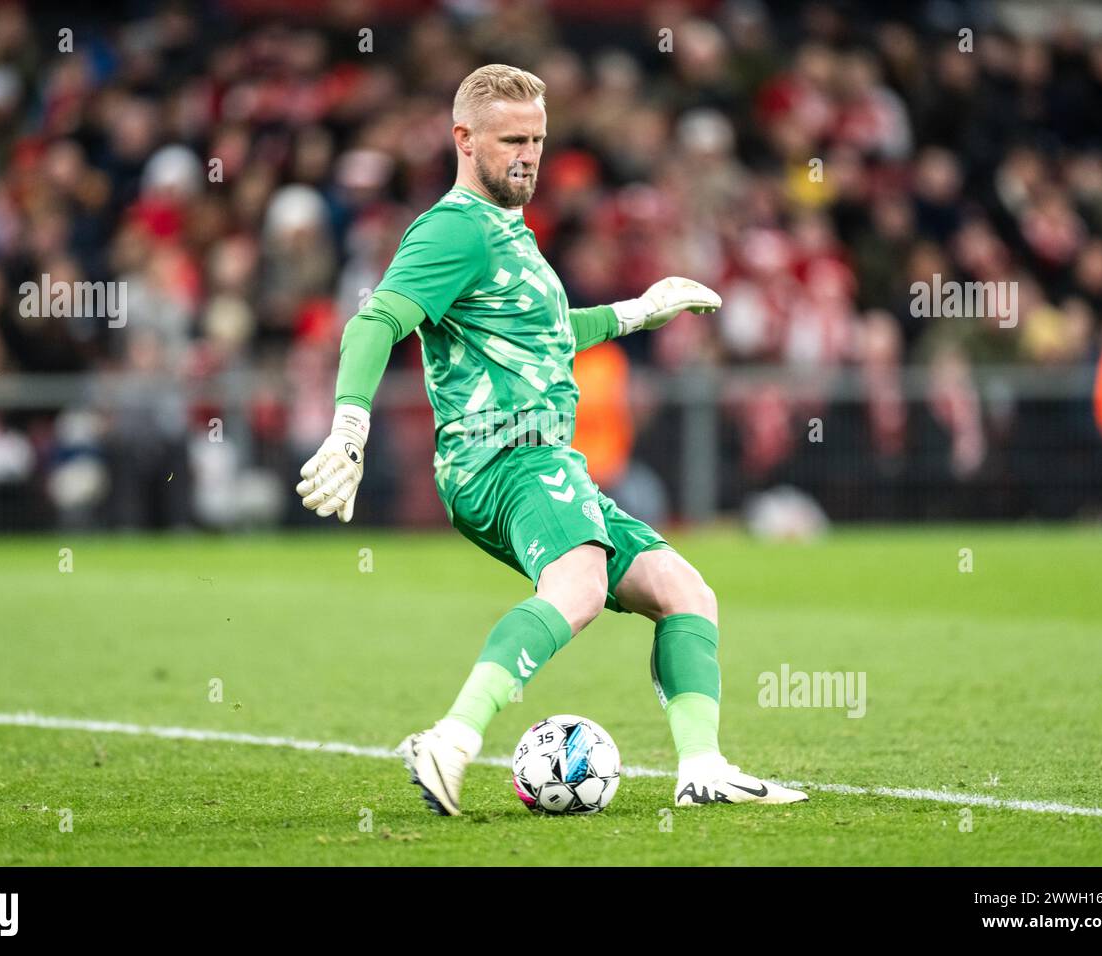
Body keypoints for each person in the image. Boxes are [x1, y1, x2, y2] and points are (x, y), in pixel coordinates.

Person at [297, 64, 807, 814]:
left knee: (682, 591)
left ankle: (703, 767)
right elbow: (376, 321)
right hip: (505, 454)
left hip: (544, 457)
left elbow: (545, 335)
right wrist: (349, 427)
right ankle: (453, 738)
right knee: (580, 589)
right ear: (463, 140)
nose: (529, 155)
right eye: (511, 140)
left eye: (537, 138)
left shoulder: (508, 230)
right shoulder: (452, 228)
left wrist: (638, 311)